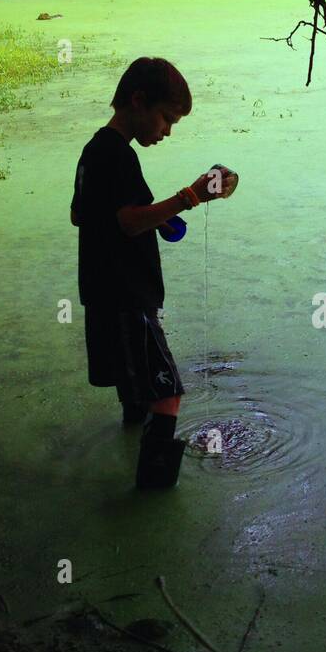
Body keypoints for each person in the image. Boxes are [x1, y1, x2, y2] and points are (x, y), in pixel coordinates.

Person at [70, 57, 239, 489]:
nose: (167, 130)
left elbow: (84, 215)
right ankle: (154, 489)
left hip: (103, 290)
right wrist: (191, 196)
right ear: (138, 101)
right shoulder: (117, 156)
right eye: (166, 118)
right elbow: (127, 221)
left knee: (136, 386)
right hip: (127, 295)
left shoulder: (94, 151)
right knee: (168, 392)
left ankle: (134, 441)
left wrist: (157, 218)